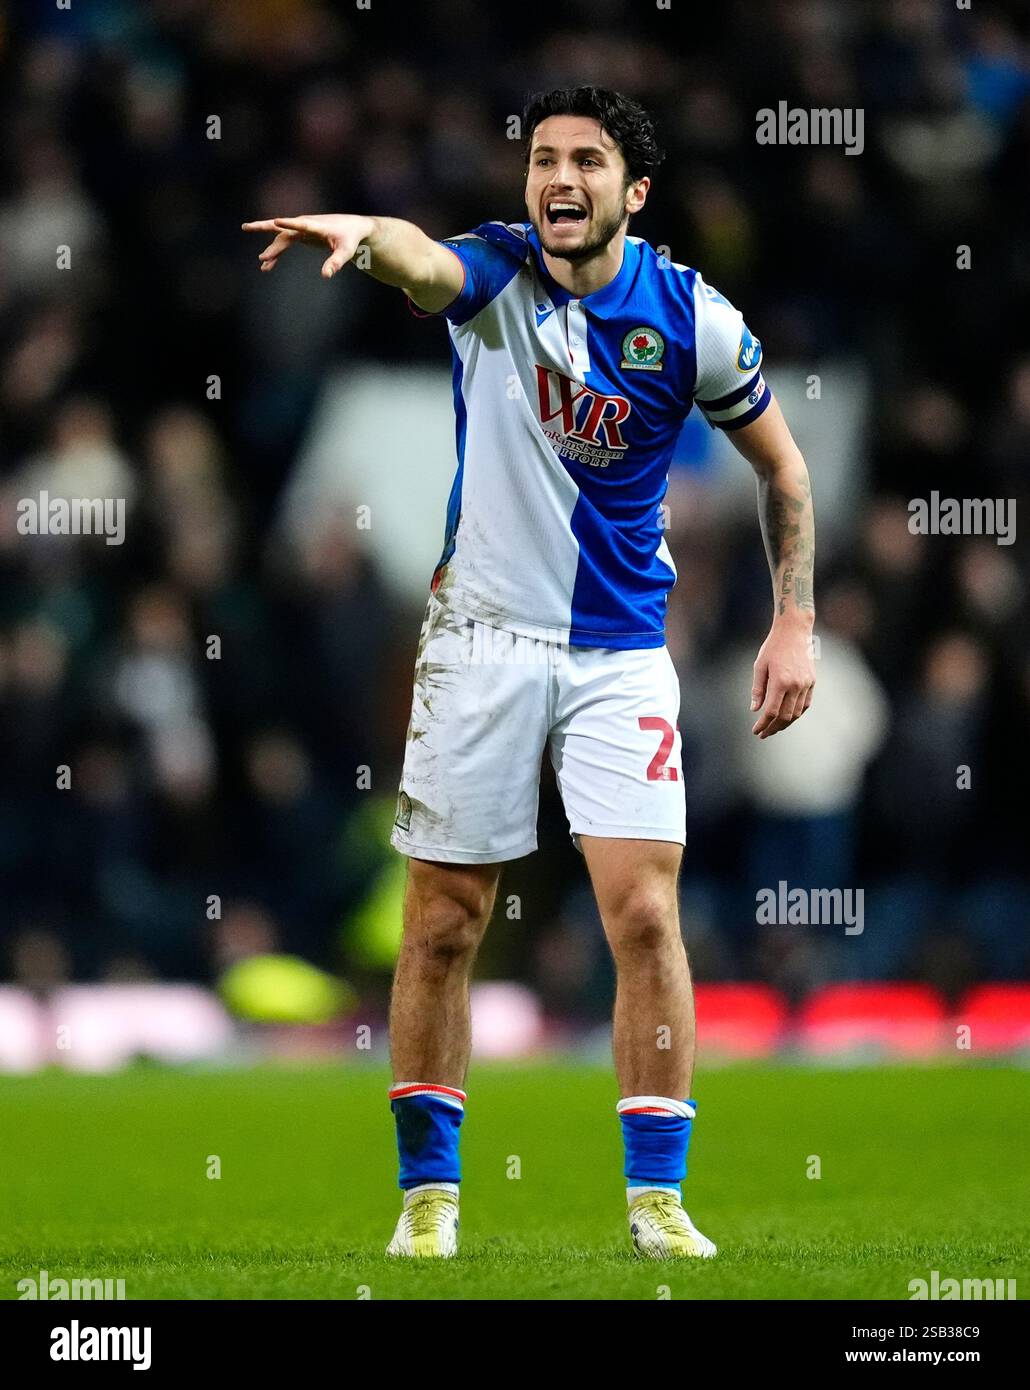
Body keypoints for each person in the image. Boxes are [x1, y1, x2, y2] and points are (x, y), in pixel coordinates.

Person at [244, 85, 817, 1260]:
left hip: (618, 653)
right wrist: (365, 238)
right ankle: (428, 1202)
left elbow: (785, 471)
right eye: (544, 158)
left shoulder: (691, 320)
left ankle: (657, 1198)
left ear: (632, 192)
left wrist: (791, 621)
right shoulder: (493, 276)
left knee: (646, 915)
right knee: (445, 920)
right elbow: (419, 262)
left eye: (587, 162)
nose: (558, 179)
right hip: (478, 642)